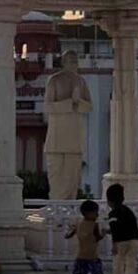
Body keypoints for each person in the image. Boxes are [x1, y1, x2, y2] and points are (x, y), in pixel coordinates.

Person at [43, 50, 93, 199]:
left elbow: (89, 107)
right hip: (56, 139)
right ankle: (57, 205)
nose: (74, 64)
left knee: (72, 179)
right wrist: (70, 103)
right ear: (63, 62)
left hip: (74, 139)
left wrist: (78, 102)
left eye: (75, 61)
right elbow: (48, 107)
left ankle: (70, 205)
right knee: (56, 178)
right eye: (70, 61)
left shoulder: (81, 82)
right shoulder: (54, 80)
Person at [106, 183, 138, 274]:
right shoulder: (128, 211)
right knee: (131, 264)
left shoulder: (113, 213)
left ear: (109, 201)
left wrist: (114, 244)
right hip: (136, 241)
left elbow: (115, 229)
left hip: (121, 242)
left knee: (118, 265)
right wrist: (108, 231)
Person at [65, 199, 110, 274]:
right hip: (92, 255)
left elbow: (71, 234)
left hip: (81, 255)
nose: (97, 215)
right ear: (88, 213)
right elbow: (97, 238)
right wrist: (104, 233)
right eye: (95, 213)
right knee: (98, 273)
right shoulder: (94, 225)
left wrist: (68, 234)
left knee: (78, 272)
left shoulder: (79, 223)